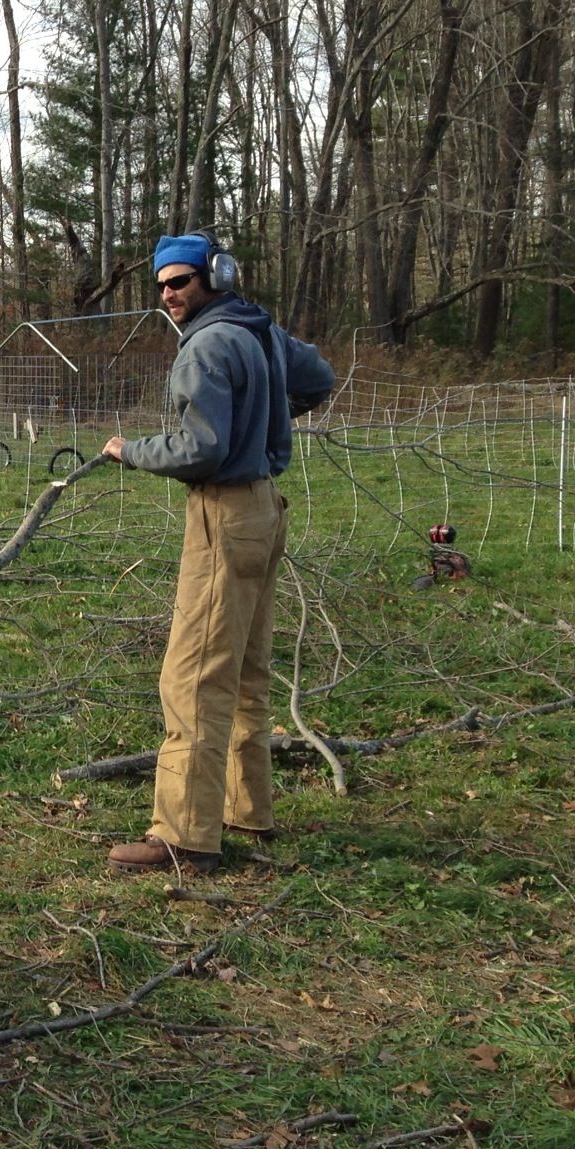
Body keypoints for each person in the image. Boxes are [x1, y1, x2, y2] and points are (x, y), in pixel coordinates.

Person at [99, 233, 335, 874]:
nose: (168, 294)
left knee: (195, 676)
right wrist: (266, 415)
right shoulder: (260, 331)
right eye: (161, 285)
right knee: (247, 670)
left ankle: (184, 835)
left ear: (214, 276)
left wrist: (130, 450)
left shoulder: (204, 346)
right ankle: (246, 808)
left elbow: (199, 449)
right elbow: (319, 379)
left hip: (224, 514)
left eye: (180, 281)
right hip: (266, 510)